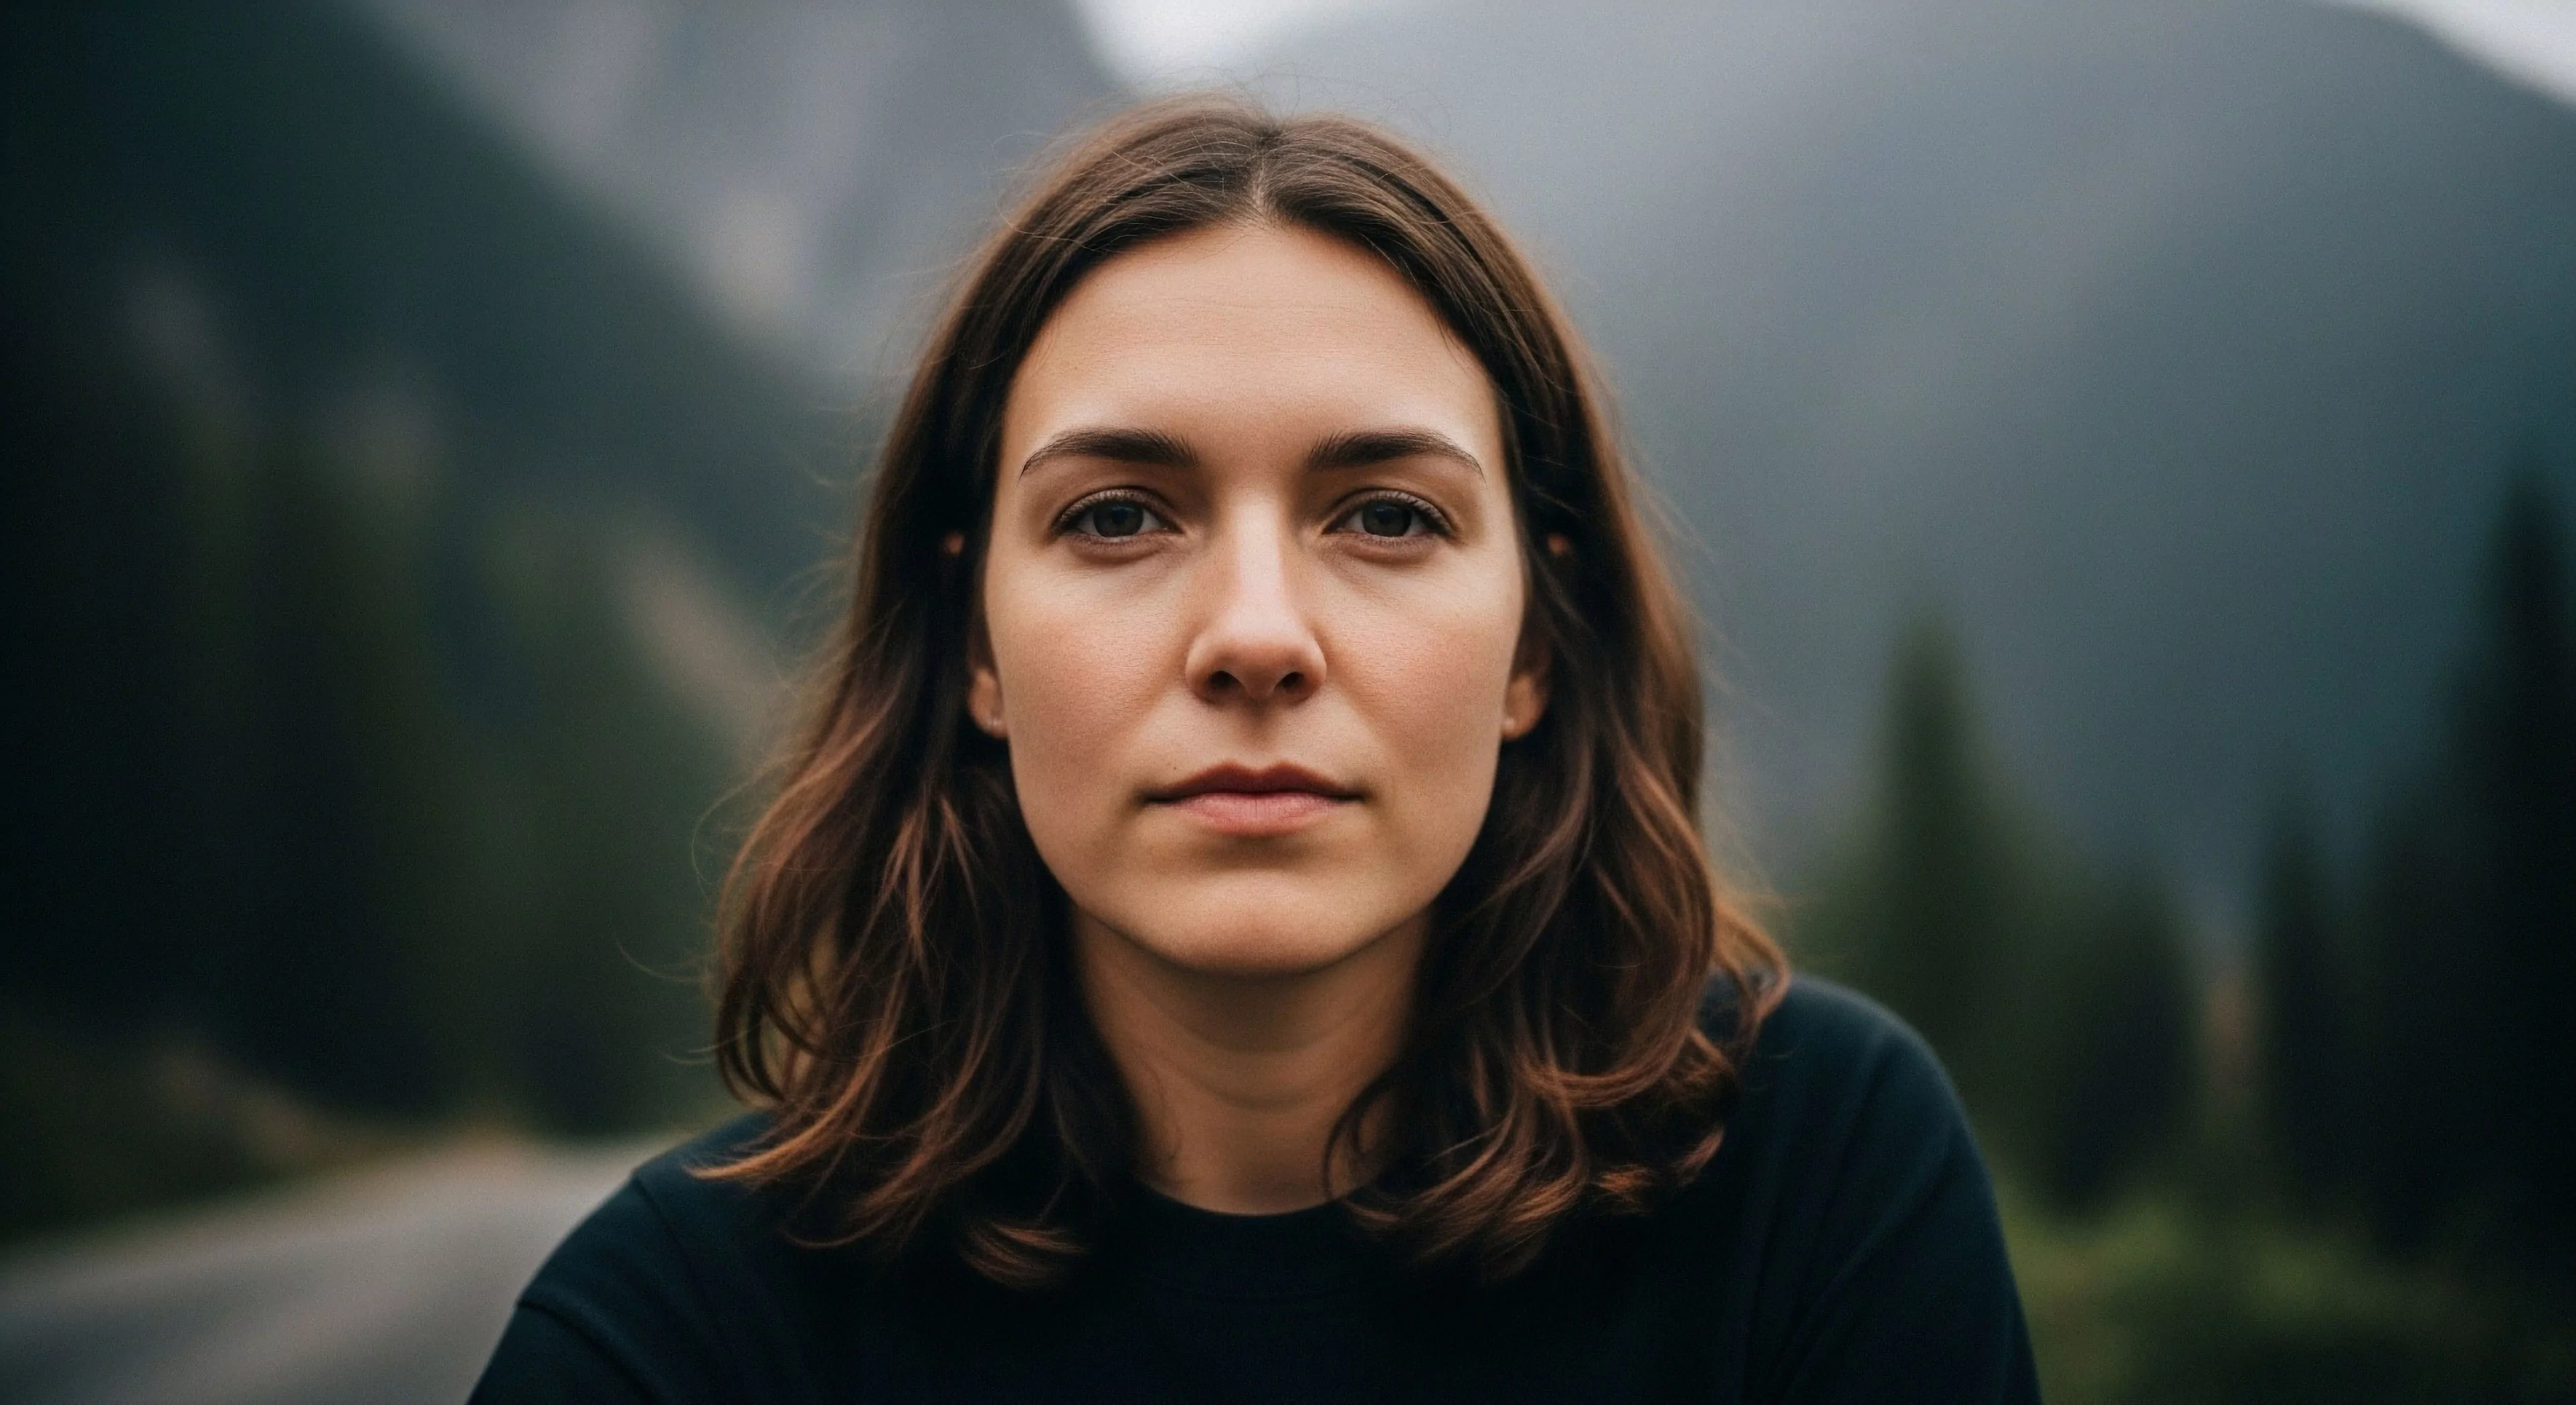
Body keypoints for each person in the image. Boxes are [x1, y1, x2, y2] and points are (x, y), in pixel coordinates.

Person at [471, 95, 2039, 1404]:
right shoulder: (683, 1335)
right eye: (1116, 517)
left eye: (1386, 518)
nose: (1255, 635)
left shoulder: (1811, 1184)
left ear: (1535, 647)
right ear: (973, 646)